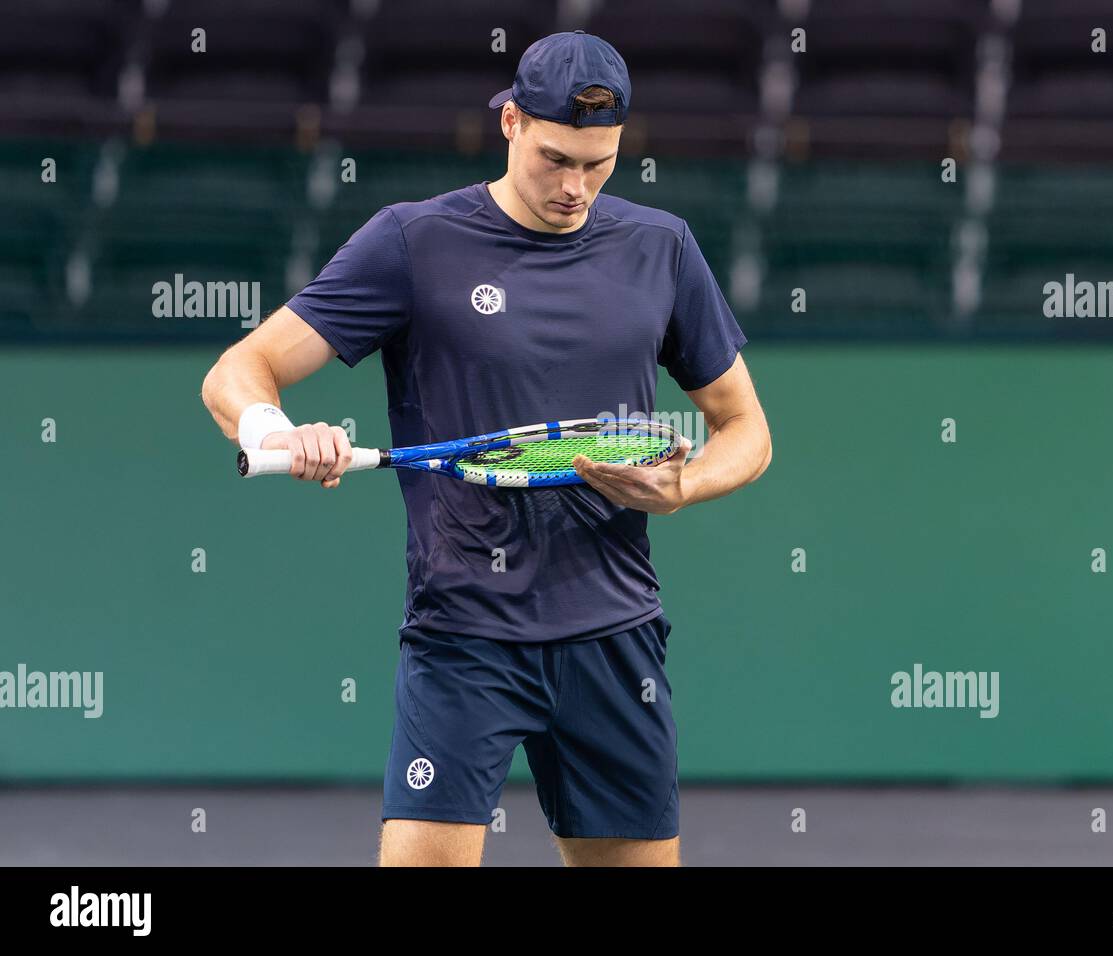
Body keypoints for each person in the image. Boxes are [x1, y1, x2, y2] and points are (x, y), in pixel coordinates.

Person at [201, 30, 771, 866]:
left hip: (615, 638)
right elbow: (239, 370)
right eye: (555, 160)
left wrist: (685, 487)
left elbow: (746, 430)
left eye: (599, 164)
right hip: (463, 635)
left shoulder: (663, 247)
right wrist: (273, 430)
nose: (575, 187)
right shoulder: (412, 242)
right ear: (510, 123)